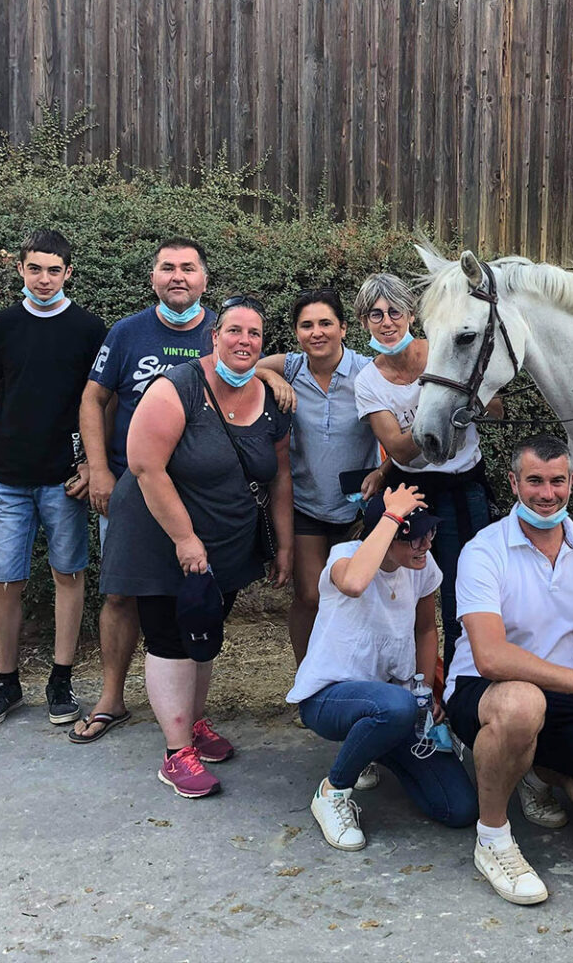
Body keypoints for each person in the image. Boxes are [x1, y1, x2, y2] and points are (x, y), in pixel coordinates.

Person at [71, 238, 290, 744]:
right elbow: (99, 405)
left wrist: (274, 376)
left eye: (188, 268)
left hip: (221, 527)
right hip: (153, 509)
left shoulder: (240, 354)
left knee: (202, 630)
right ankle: (150, 727)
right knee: (147, 615)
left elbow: (255, 366)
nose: (178, 276)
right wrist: (97, 467)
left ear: (204, 280)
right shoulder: (132, 338)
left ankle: (190, 725)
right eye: (167, 267)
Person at [443, 435, 573, 907]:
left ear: (571, 482)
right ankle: (493, 839)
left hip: (556, 696)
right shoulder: (483, 550)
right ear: (514, 482)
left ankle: (534, 766)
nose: (547, 493)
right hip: (484, 692)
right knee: (522, 704)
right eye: (534, 481)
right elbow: (491, 657)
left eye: (557, 481)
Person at [99, 296, 293, 797]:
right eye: (233, 330)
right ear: (214, 335)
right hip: (160, 536)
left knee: (206, 631)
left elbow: (280, 476)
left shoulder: (268, 398)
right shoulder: (177, 387)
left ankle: (194, 723)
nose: (243, 340)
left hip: (226, 541)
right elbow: (145, 466)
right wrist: (185, 539)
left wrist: (284, 545)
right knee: (169, 638)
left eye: (253, 333)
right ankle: (174, 751)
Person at [287, 485, 479, 850]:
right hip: (329, 698)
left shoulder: (421, 567)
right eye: (415, 539)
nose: (425, 545)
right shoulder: (345, 557)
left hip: (396, 704)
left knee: (459, 808)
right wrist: (391, 516)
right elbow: (356, 583)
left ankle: (375, 748)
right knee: (395, 706)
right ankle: (332, 792)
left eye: (430, 534)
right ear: (387, 536)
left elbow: (426, 629)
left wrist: (424, 694)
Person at [0, 229, 107, 728]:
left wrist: (93, 465)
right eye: (34, 269)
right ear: (21, 270)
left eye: (54, 270)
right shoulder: (3, 324)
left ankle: (61, 679)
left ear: (69, 273)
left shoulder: (90, 328)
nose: (44, 278)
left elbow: (100, 401)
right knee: (6, 578)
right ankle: (6, 682)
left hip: (64, 479)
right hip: (7, 476)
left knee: (68, 574)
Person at [353, 272, 493, 673]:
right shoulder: (368, 381)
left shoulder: (441, 351)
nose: (387, 321)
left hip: (464, 485)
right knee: (405, 588)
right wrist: (442, 415)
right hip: (411, 491)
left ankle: (461, 680)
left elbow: (494, 406)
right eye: (375, 314)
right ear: (364, 323)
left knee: (461, 586)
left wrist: (476, 403)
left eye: (394, 311)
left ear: (411, 314)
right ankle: (410, 678)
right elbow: (396, 447)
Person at [256, 287, 386, 664]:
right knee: (310, 596)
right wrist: (272, 377)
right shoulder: (293, 368)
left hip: (357, 507)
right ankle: (308, 680)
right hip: (306, 504)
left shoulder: (367, 371)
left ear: (344, 328)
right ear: (296, 332)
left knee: (355, 594)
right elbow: (243, 365)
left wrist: (383, 470)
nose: (317, 332)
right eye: (306, 325)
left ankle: (353, 674)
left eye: (326, 323)